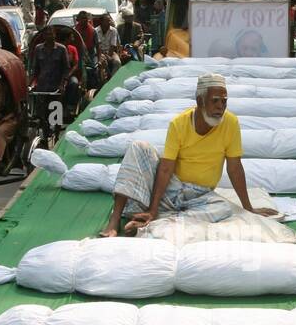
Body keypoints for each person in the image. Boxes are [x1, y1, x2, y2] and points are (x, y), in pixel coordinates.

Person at [99, 74, 279, 238]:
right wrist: (153, 208)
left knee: (224, 208)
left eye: (224, 102)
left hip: (200, 195)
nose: (220, 107)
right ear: (200, 101)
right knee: (138, 147)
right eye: (215, 101)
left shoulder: (231, 123)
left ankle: (157, 220)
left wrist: (248, 208)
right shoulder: (179, 123)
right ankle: (115, 220)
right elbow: (166, 168)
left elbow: (234, 168)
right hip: (171, 187)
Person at [30, 26, 80, 120]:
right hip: (43, 85)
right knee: (41, 114)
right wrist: (30, 84)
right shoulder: (38, 49)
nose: (49, 36)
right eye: (47, 34)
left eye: (51, 34)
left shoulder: (62, 49)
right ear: (44, 36)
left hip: (56, 85)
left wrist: (63, 83)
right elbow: (35, 69)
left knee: (56, 115)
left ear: (54, 35)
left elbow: (66, 68)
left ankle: (57, 128)